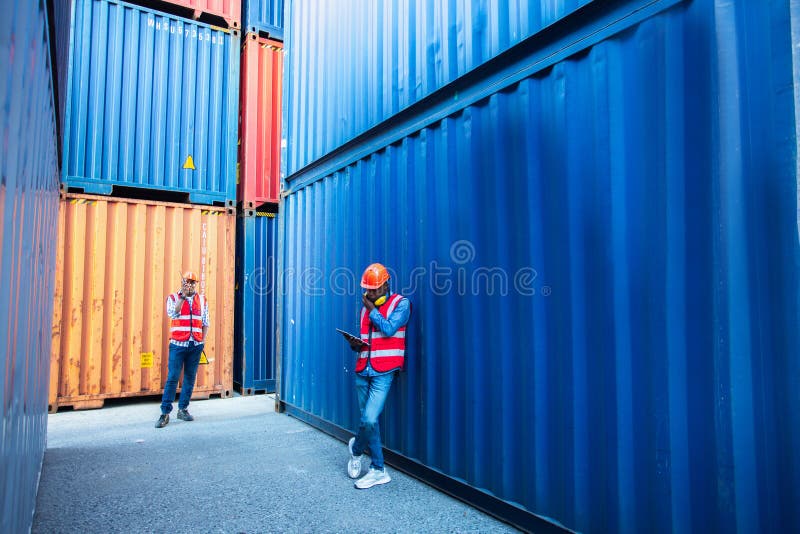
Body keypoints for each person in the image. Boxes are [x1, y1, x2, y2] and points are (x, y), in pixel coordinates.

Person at [346, 263, 411, 489]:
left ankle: (356, 450)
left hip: (384, 371)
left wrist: (372, 310)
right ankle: (378, 469)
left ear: (385, 285)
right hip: (363, 369)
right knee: (369, 423)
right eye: (367, 290)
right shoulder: (366, 307)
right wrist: (356, 345)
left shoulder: (401, 304)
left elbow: (390, 329)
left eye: (373, 290)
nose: (369, 294)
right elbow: (369, 338)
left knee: (369, 419)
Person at [156, 270, 209, 428]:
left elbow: (206, 322)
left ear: (196, 284)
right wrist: (183, 297)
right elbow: (173, 313)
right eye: (188, 281)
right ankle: (165, 413)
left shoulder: (202, 299)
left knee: (190, 378)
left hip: (195, 345)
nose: (190, 284)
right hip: (178, 345)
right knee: (172, 377)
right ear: (182, 282)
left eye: (193, 282)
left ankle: (183, 409)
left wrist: (202, 341)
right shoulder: (173, 298)